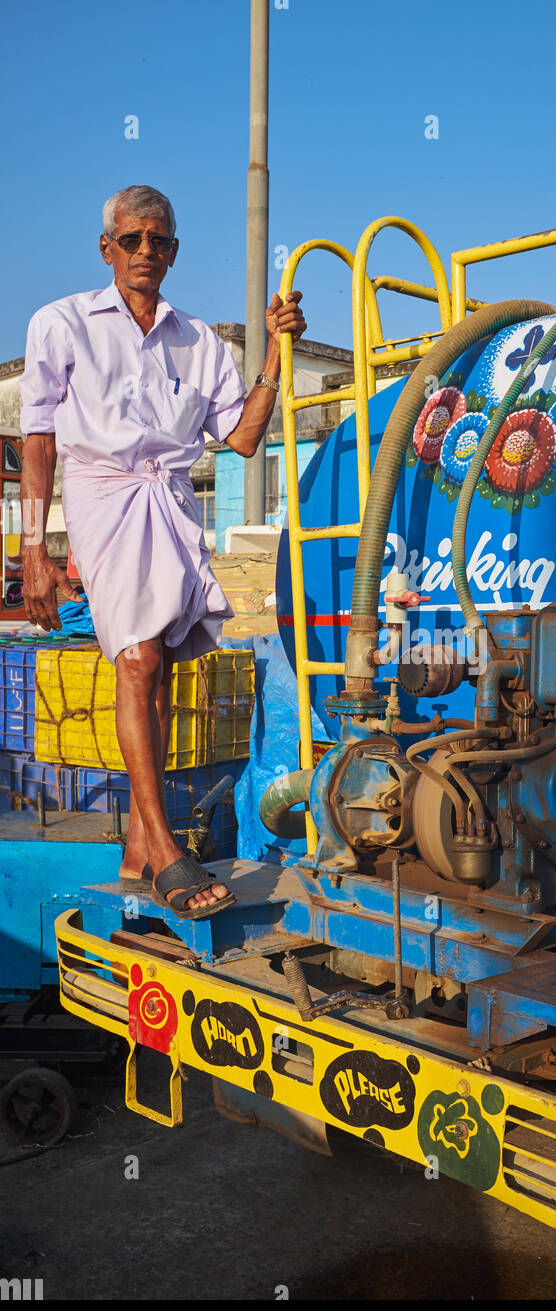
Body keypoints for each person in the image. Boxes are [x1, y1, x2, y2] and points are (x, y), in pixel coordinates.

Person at [20, 184, 306, 919]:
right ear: (108, 246)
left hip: (172, 502)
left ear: (174, 252)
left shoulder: (198, 339)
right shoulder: (61, 323)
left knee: (167, 658)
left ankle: (138, 854)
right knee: (137, 658)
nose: (148, 252)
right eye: (134, 239)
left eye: (161, 241)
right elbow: (40, 439)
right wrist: (35, 551)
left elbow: (241, 438)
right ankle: (168, 847)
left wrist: (279, 351)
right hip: (103, 495)